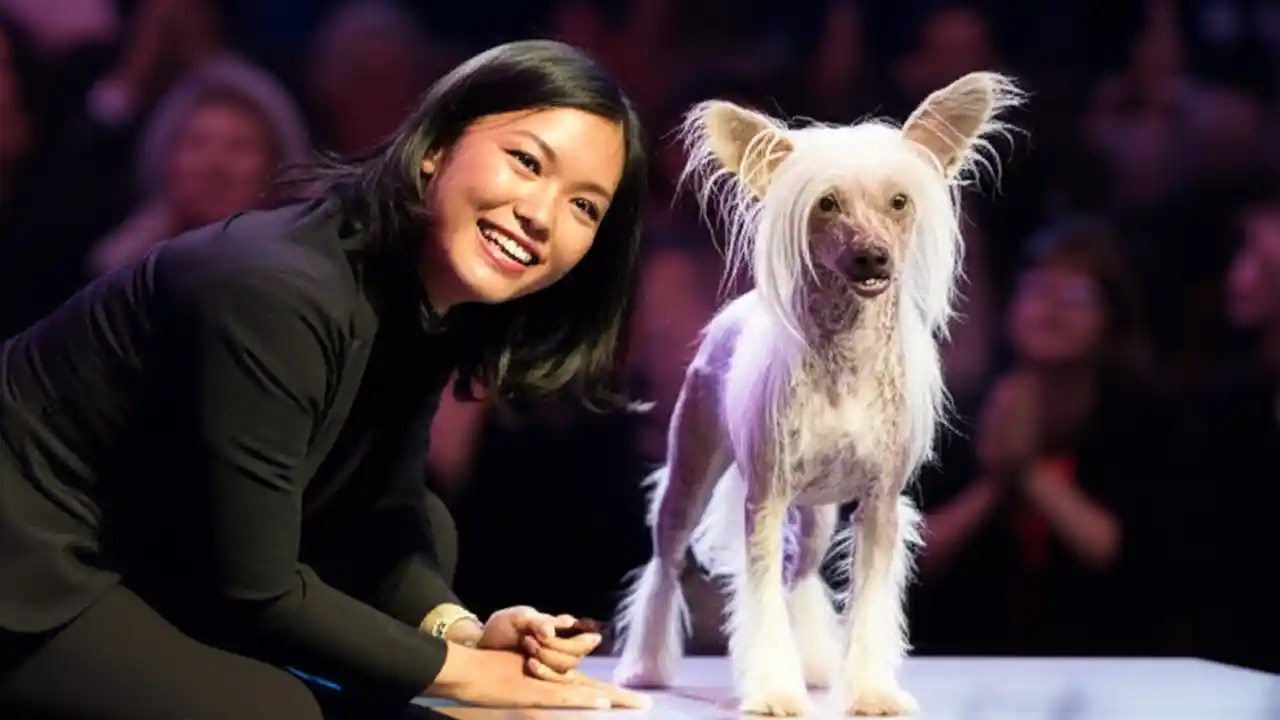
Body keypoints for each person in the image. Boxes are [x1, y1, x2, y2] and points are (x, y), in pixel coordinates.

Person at [0, 39, 651, 718]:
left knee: (427, 532)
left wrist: (462, 632)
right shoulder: (275, 290)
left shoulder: (431, 297)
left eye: (584, 207)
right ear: (438, 147)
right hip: (31, 571)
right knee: (276, 711)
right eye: (526, 162)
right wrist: (468, 676)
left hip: (143, 552)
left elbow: (379, 511)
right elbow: (252, 591)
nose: (541, 216)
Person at [908, 218, 1180, 656]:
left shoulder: (1143, 420)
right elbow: (911, 562)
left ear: (1111, 319)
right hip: (970, 656)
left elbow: (1133, 563)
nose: (1049, 309)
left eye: (1074, 295)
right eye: (1036, 289)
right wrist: (994, 484)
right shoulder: (956, 413)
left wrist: (1030, 473)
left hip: (1108, 656)